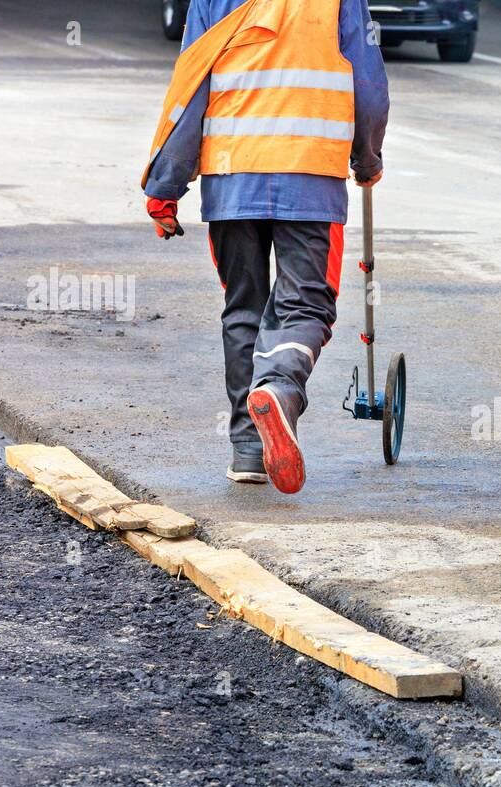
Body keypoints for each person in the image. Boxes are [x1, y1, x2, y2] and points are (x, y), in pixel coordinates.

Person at [142, 0, 388, 494]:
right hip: (311, 178)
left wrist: (165, 185)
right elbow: (368, 86)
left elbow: (190, 90)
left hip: (232, 180)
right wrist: (367, 156)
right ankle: (278, 387)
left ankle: (250, 450)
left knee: (243, 308)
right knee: (307, 304)